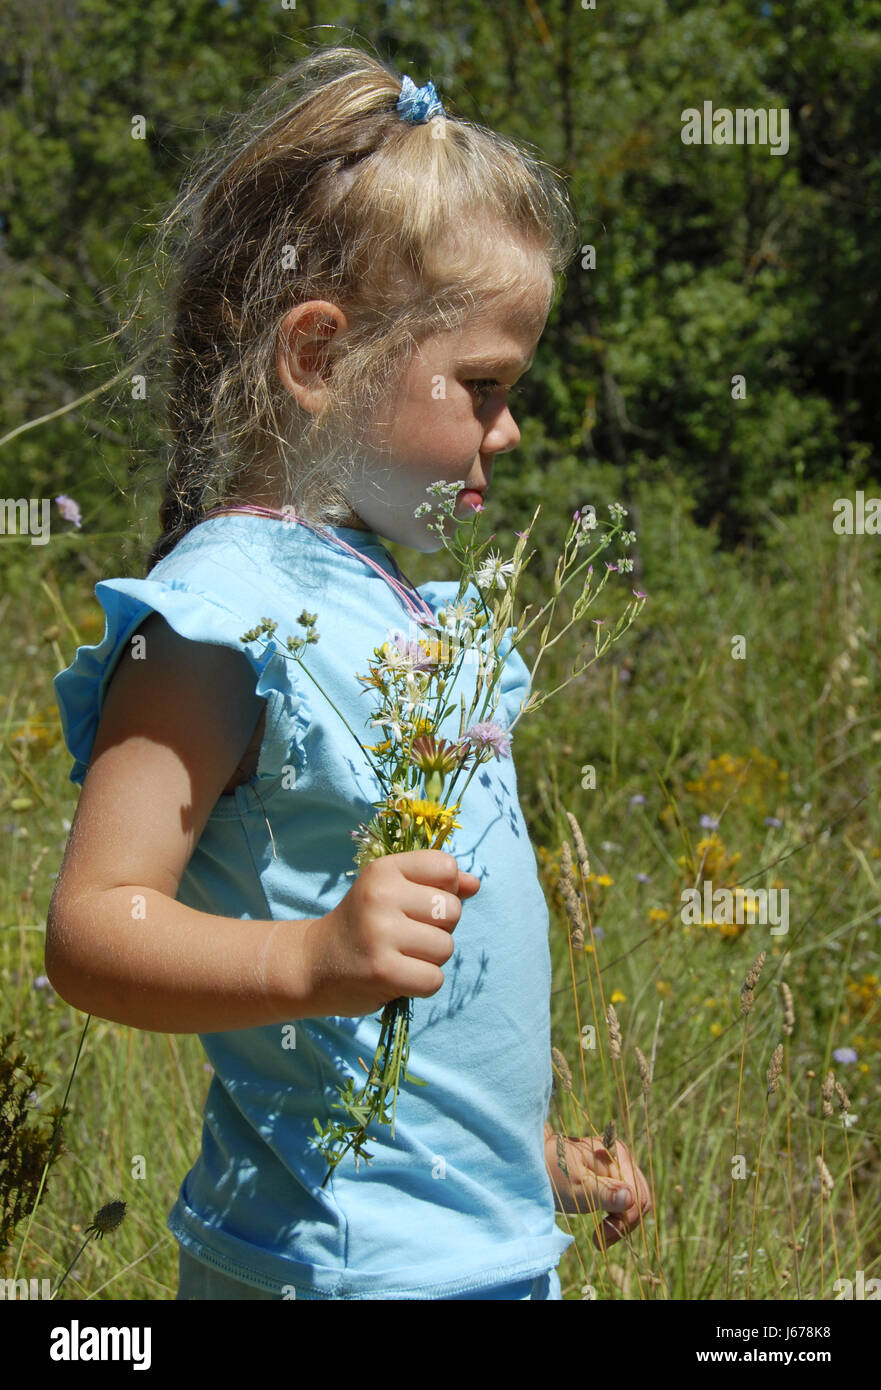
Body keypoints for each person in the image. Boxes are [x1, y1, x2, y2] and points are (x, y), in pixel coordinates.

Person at [47, 45, 650, 1301]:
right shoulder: (216, 616)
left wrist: (524, 1157)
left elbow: (425, 1014)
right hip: (322, 1270)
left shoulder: (417, 608)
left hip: (486, 1253)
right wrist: (314, 958)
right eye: (482, 387)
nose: (510, 428)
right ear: (318, 358)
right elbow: (93, 930)